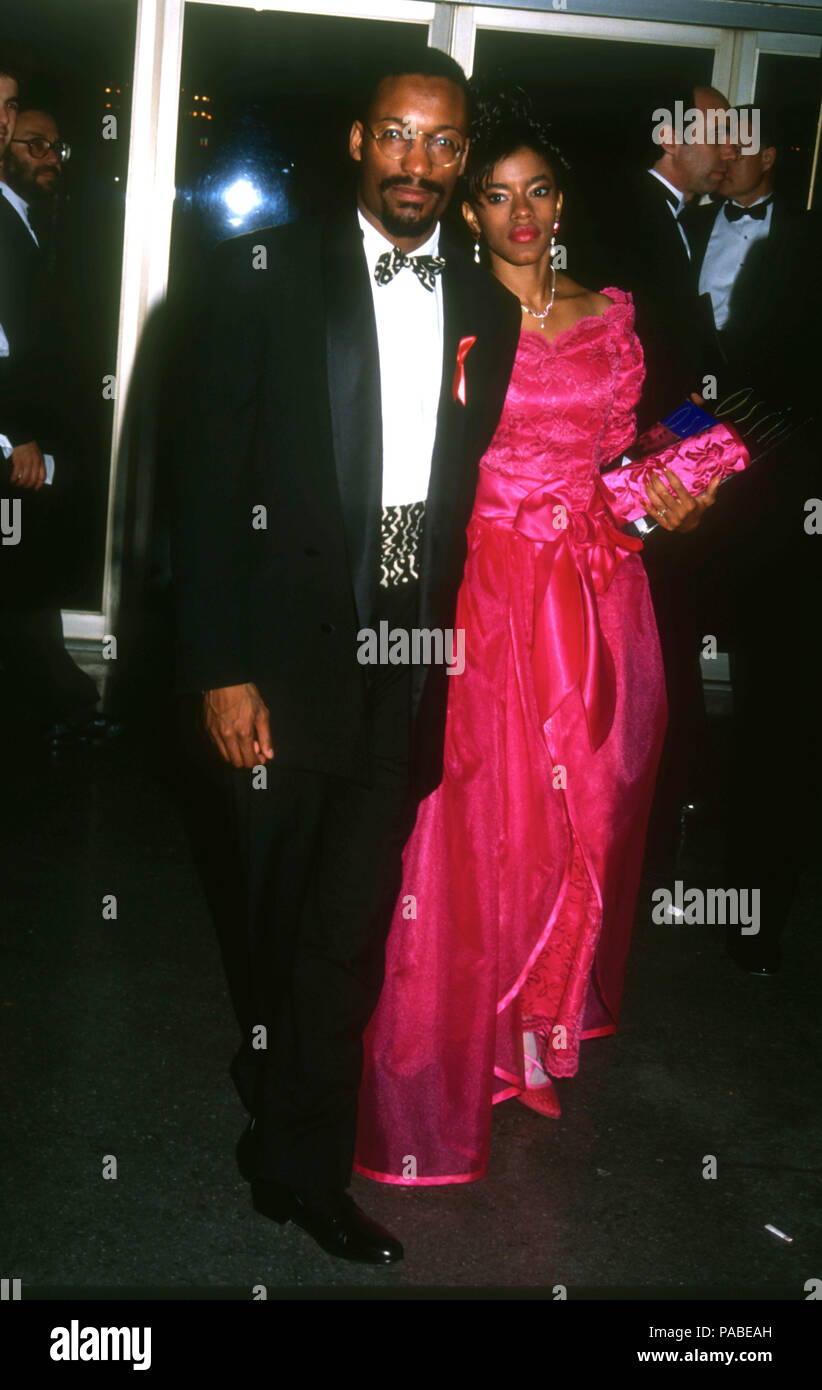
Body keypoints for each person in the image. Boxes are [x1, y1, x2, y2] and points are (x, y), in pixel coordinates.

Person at [170, 51, 521, 1262]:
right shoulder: (256, 275)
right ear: (358, 141)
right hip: (275, 658)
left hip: (404, 652)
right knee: (275, 916)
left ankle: (302, 1166)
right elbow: (203, 487)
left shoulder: (486, 307)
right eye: (397, 135)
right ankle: (276, 1080)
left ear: (461, 157)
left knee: (349, 927)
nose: (419, 161)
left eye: (443, 141)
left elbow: (452, 491)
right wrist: (219, 666)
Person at [354, 95, 726, 1186]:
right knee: (476, 832)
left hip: (598, 593)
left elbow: (629, 453)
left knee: (583, 821)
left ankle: (534, 1028)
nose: (521, 214)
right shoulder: (451, 314)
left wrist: (676, 494)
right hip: (484, 598)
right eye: (497, 196)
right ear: (470, 211)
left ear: (563, 204)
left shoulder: (614, 315)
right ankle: (450, 1050)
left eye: (539, 192)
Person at [680, 110, 822, 973]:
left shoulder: (805, 243)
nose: (724, 156)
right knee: (663, 680)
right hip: (691, 493)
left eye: (740, 143)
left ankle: (756, 918)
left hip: (786, 511)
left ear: (770, 156)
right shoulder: (681, 230)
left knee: (780, 710)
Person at [0, 98, 109, 747]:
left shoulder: (28, 220)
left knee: (26, 575)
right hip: (13, 442)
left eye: (57, 148)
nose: (51, 159)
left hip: (29, 441)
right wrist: (16, 435)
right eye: (35, 145)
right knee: (20, 578)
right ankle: (56, 709)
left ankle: (55, 707)